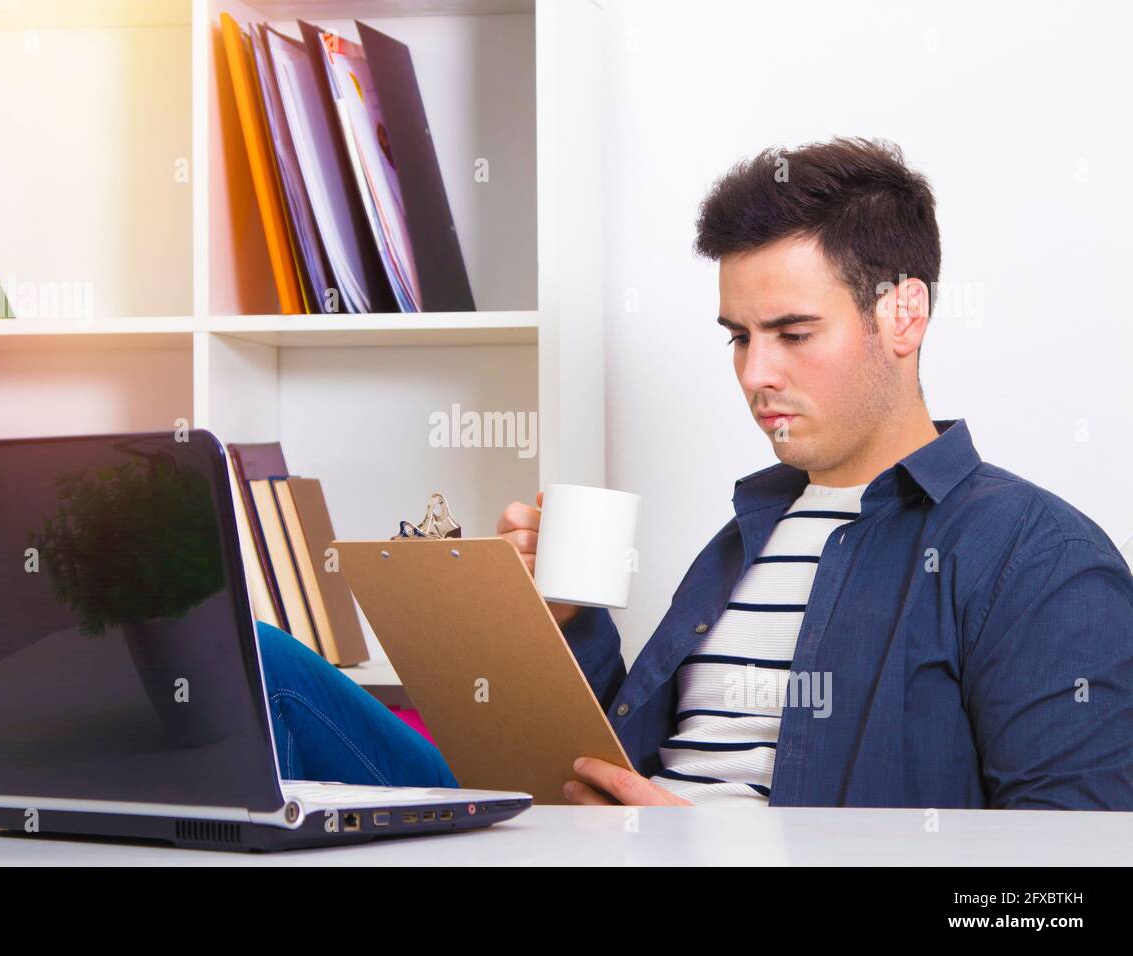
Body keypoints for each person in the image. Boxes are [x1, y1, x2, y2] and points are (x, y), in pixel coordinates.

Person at [259, 136, 1133, 809]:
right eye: (738, 337)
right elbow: (617, 766)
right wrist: (561, 625)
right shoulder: (746, 537)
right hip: (580, 850)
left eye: (792, 333)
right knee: (262, 664)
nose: (756, 375)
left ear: (905, 316)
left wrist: (699, 853)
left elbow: (1063, 895)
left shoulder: (1037, 559)